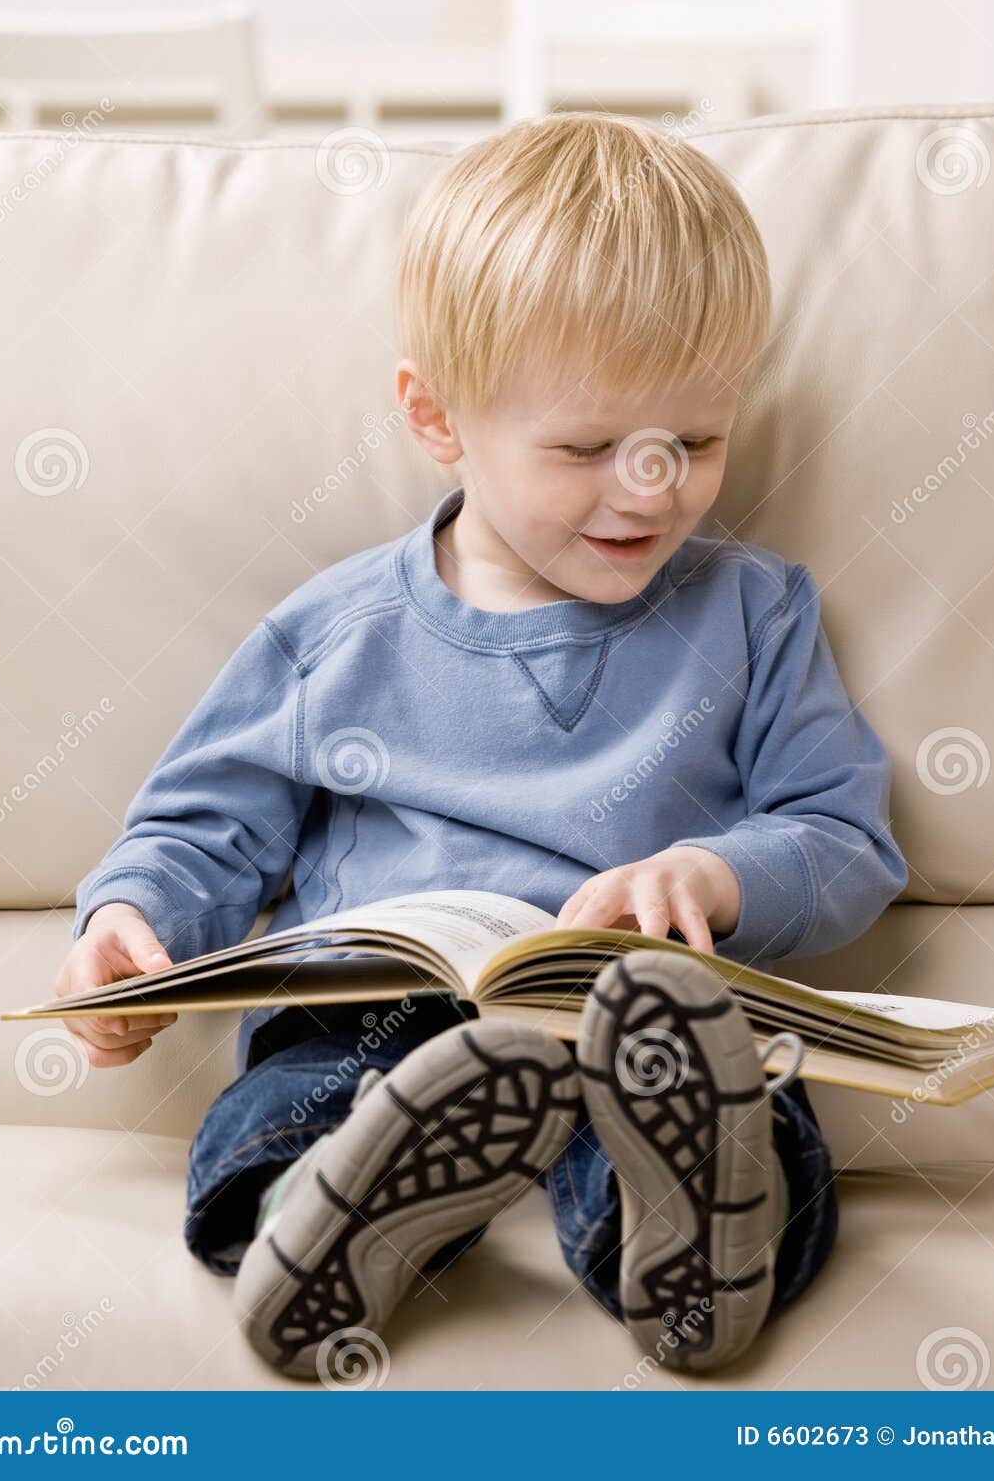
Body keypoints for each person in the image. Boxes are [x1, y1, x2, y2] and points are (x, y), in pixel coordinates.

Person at [55, 112, 908, 1381]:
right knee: (291, 1104)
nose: (649, 487)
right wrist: (131, 918)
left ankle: (686, 1249)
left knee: (735, 1108)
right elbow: (203, 823)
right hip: (380, 1013)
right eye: (583, 448)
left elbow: (844, 838)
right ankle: (320, 1213)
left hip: (641, 1016)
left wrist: (718, 875)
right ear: (435, 416)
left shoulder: (754, 612)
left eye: (696, 440)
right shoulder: (334, 633)